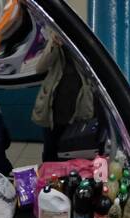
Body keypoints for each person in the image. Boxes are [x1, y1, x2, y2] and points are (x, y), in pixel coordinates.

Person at [32, 33, 93, 163]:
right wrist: (52, 45)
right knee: (50, 151)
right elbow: (40, 68)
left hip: (77, 111)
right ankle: (48, 178)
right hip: (53, 109)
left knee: (72, 150)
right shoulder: (57, 47)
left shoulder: (84, 48)